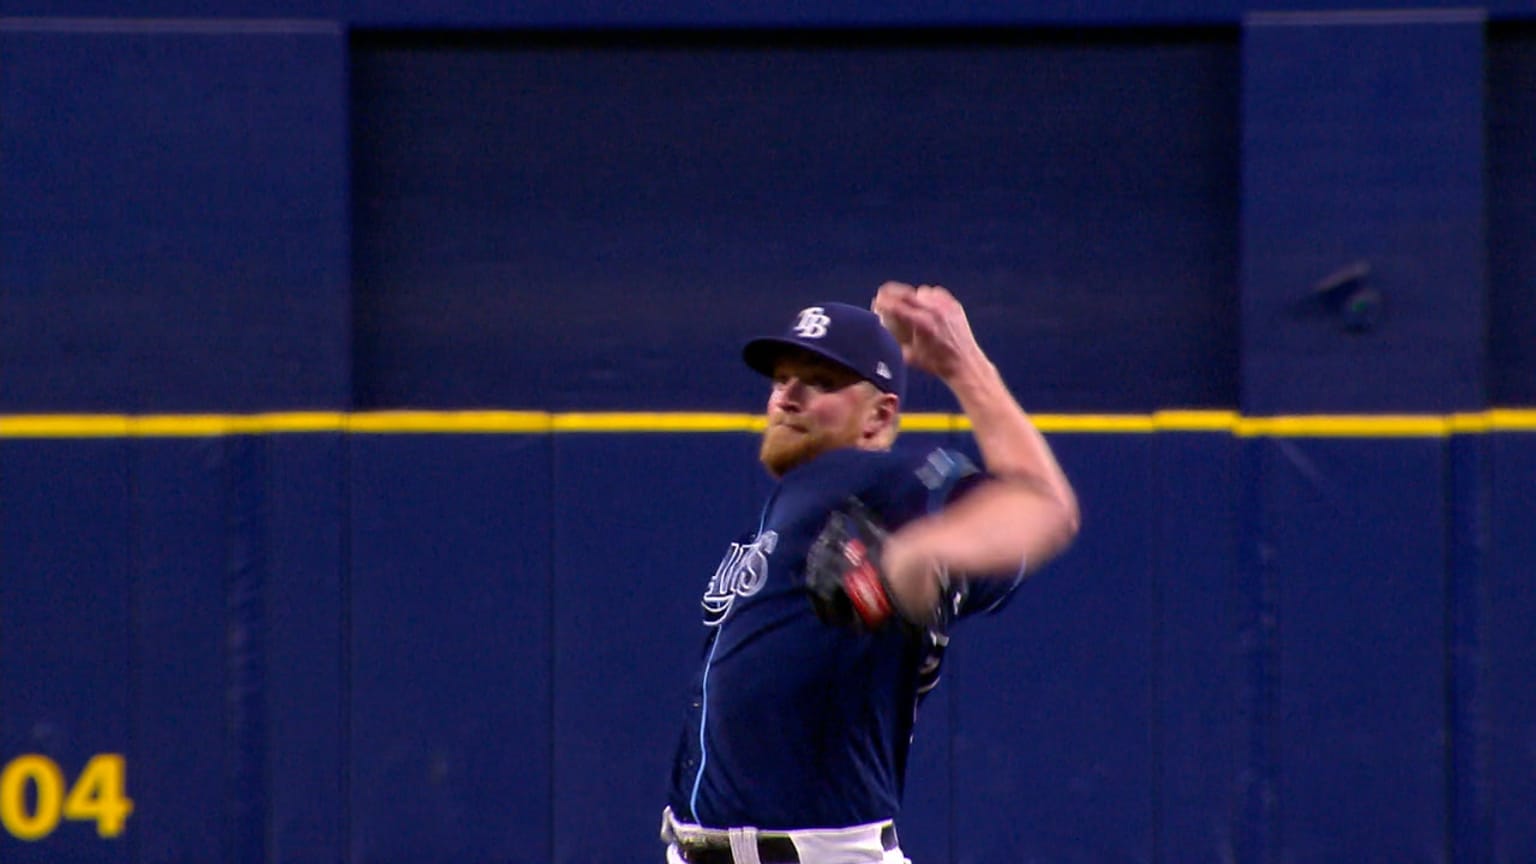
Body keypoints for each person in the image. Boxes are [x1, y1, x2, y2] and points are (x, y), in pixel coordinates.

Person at [661, 282, 1080, 864]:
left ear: (879, 415)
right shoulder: (794, 509)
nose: (788, 397)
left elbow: (1041, 508)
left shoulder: (872, 481)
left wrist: (965, 369)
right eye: (781, 379)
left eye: (822, 383)